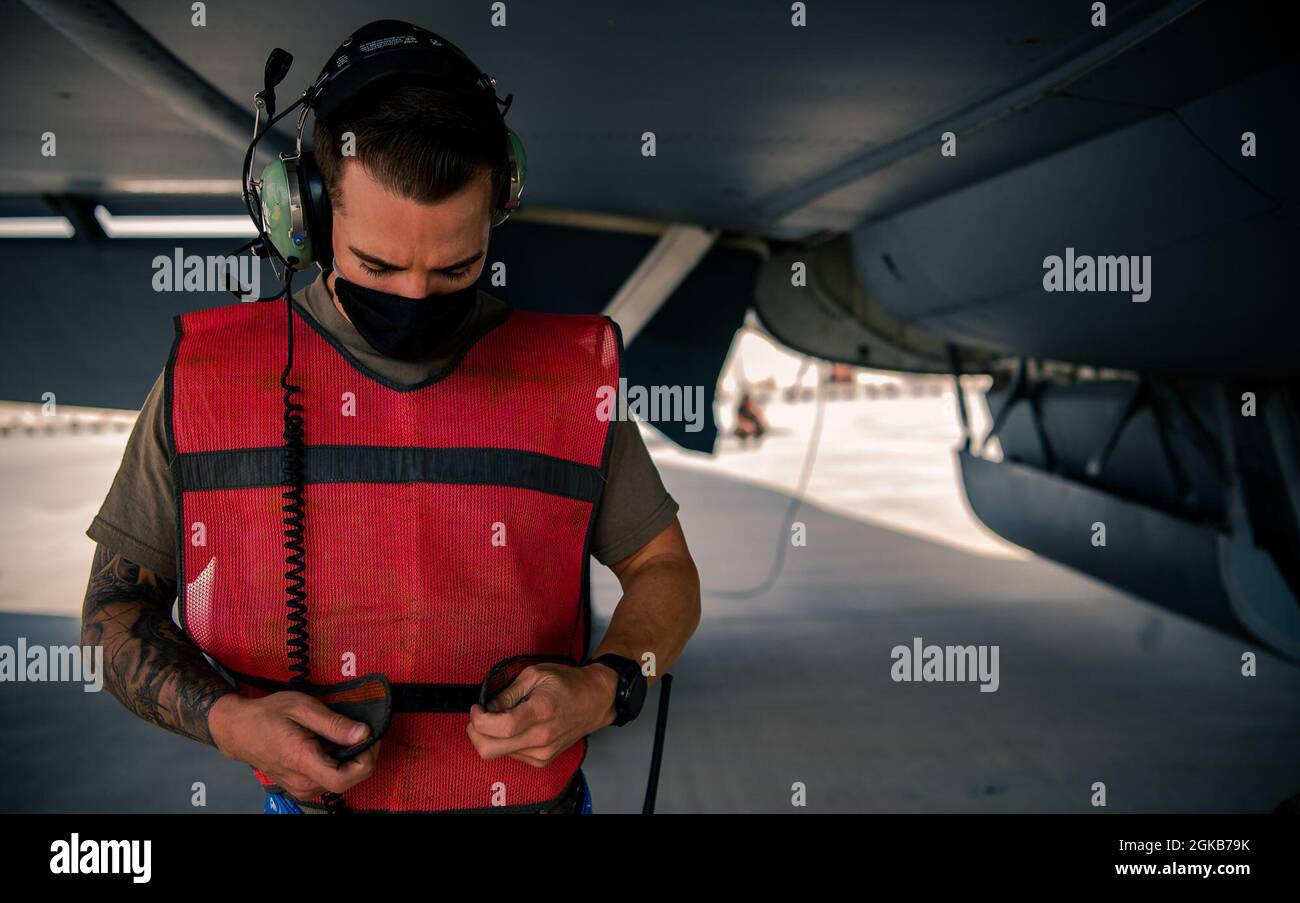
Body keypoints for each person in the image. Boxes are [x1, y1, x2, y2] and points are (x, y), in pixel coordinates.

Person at [80, 20, 700, 814]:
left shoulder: (570, 377)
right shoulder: (207, 376)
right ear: (304, 214)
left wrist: (607, 687)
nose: (413, 297)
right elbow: (112, 615)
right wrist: (228, 720)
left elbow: (666, 571)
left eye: (455, 267)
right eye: (377, 264)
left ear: (495, 217)